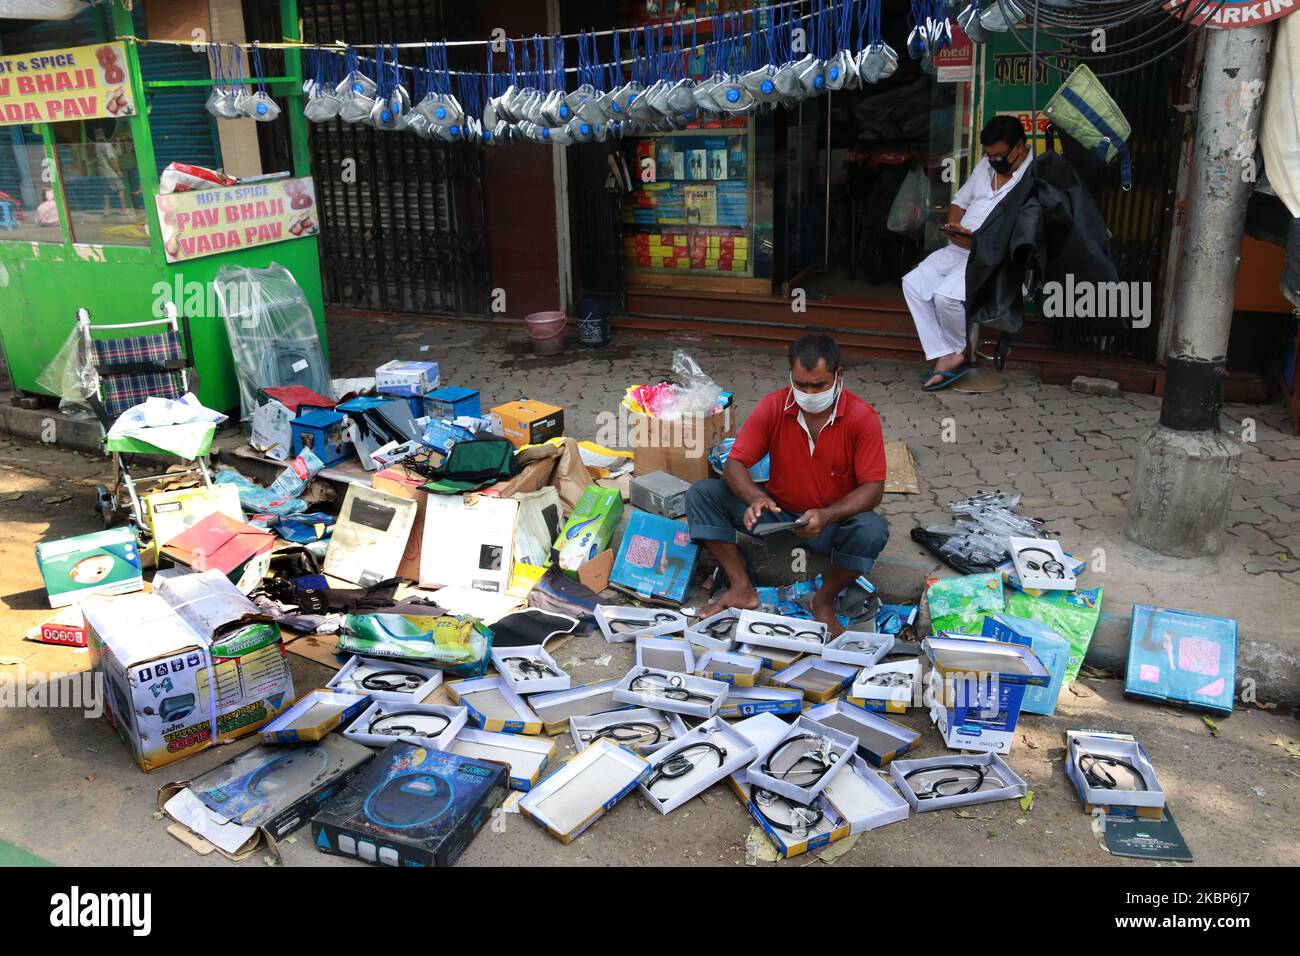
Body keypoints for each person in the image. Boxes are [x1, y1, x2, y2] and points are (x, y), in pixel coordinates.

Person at [684, 334, 888, 637]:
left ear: (838, 376)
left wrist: (828, 515)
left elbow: (874, 488)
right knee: (701, 494)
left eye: (818, 385)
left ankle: (824, 600)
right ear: (790, 376)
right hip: (778, 516)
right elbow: (734, 463)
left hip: (832, 523)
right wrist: (755, 498)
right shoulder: (774, 406)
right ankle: (741, 587)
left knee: (872, 529)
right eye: (800, 384)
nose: (808, 393)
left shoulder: (861, 417)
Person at [903, 115, 1033, 391]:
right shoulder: (986, 166)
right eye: (989, 155)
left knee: (945, 297)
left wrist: (979, 242)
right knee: (912, 284)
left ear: (1018, 147)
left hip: (991, 260)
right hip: (959, 247)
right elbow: (960, 200)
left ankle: (957, 353)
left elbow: (1022, 233)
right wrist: (955, 226)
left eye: (998, 155)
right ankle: (945, 353)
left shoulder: (1032, 180)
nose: (992, 160)